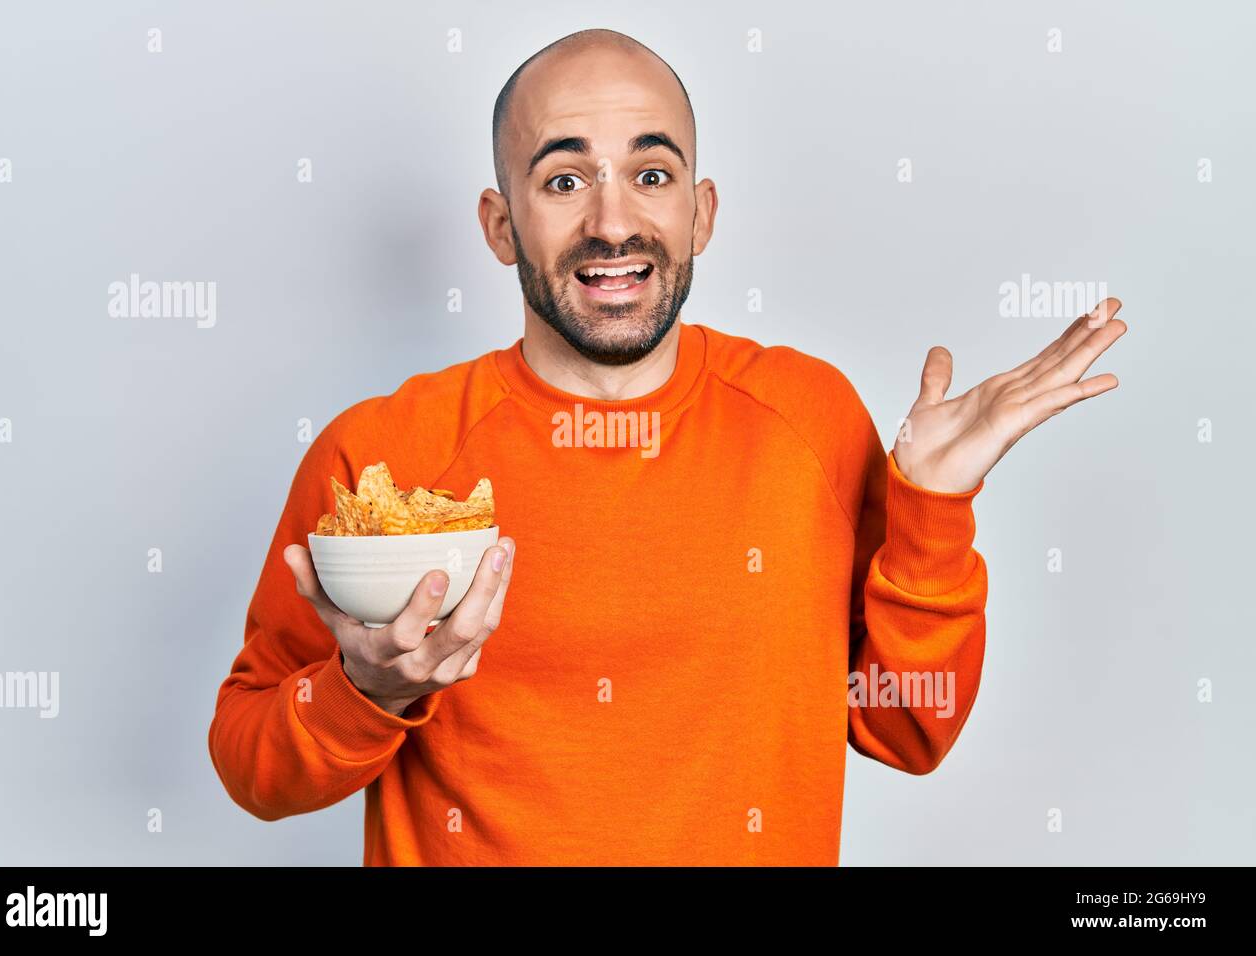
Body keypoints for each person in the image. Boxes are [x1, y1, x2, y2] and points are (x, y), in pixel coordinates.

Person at [208, 28, 1127, 865]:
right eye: (564, 181)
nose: (613, 222)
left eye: (651, 175)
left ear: (702, 213)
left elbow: (910, 734)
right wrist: (365, 693)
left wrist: (932, 511)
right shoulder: (382, 458)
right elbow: (253, 767)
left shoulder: (809, 417)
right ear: (500, 226)